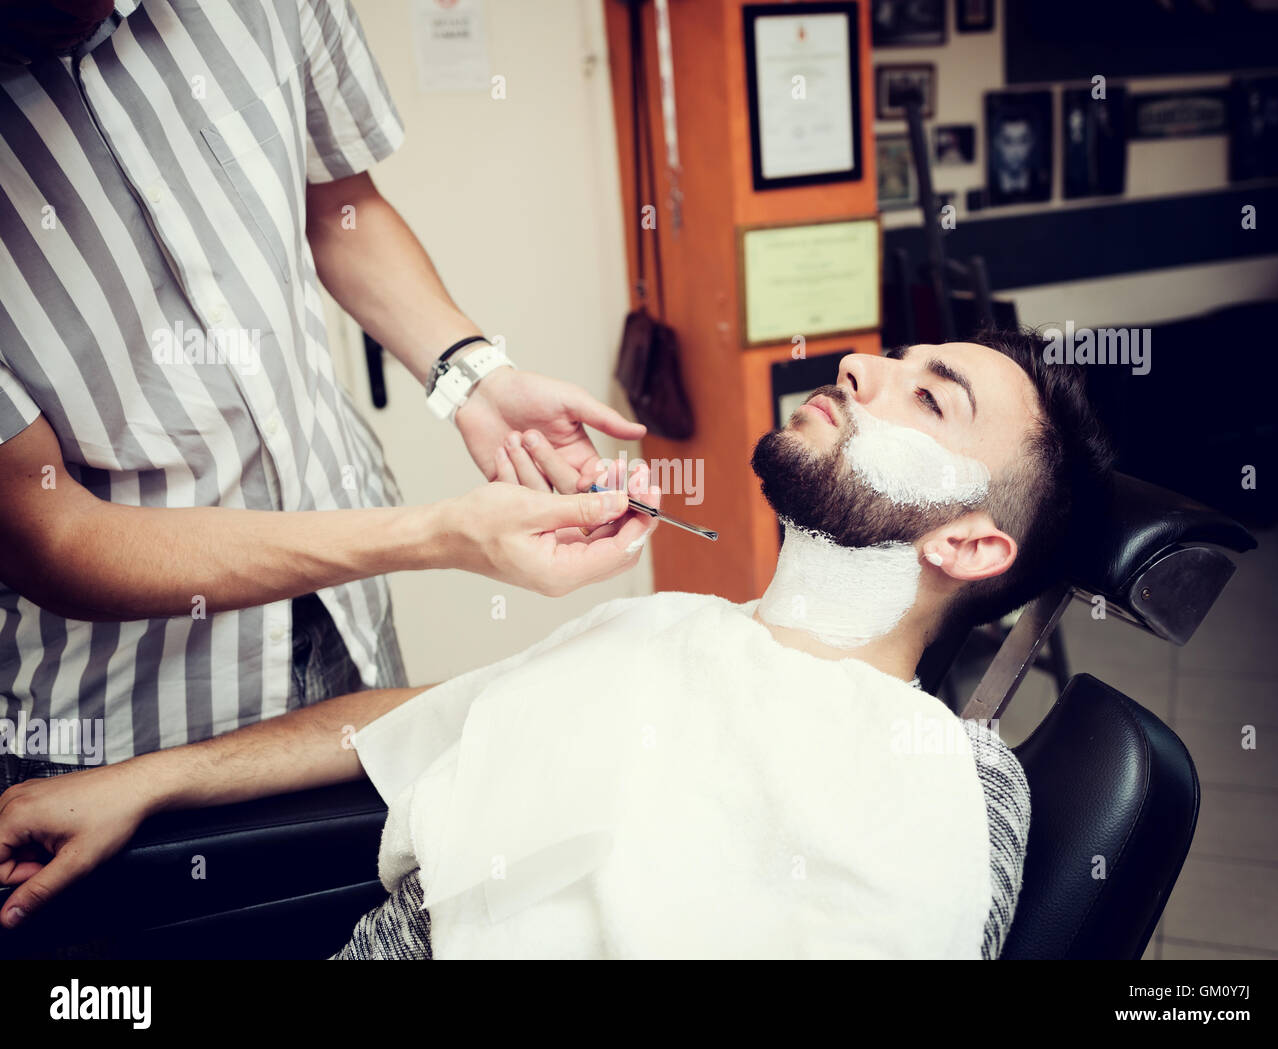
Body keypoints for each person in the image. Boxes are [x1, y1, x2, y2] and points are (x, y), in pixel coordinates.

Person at [0, 330, 1117, 956]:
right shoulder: (665, 625)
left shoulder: (951, 781)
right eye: (892, 356)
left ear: (972, 545)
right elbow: (408, 717)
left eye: (929, 393)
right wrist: (140, 783)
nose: (861, 368)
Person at [0, 0, 650, 790]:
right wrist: (438, 537)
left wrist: (474, 378)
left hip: (346, 628)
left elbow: (340, 209)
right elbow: (48, 534)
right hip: (110, 716)